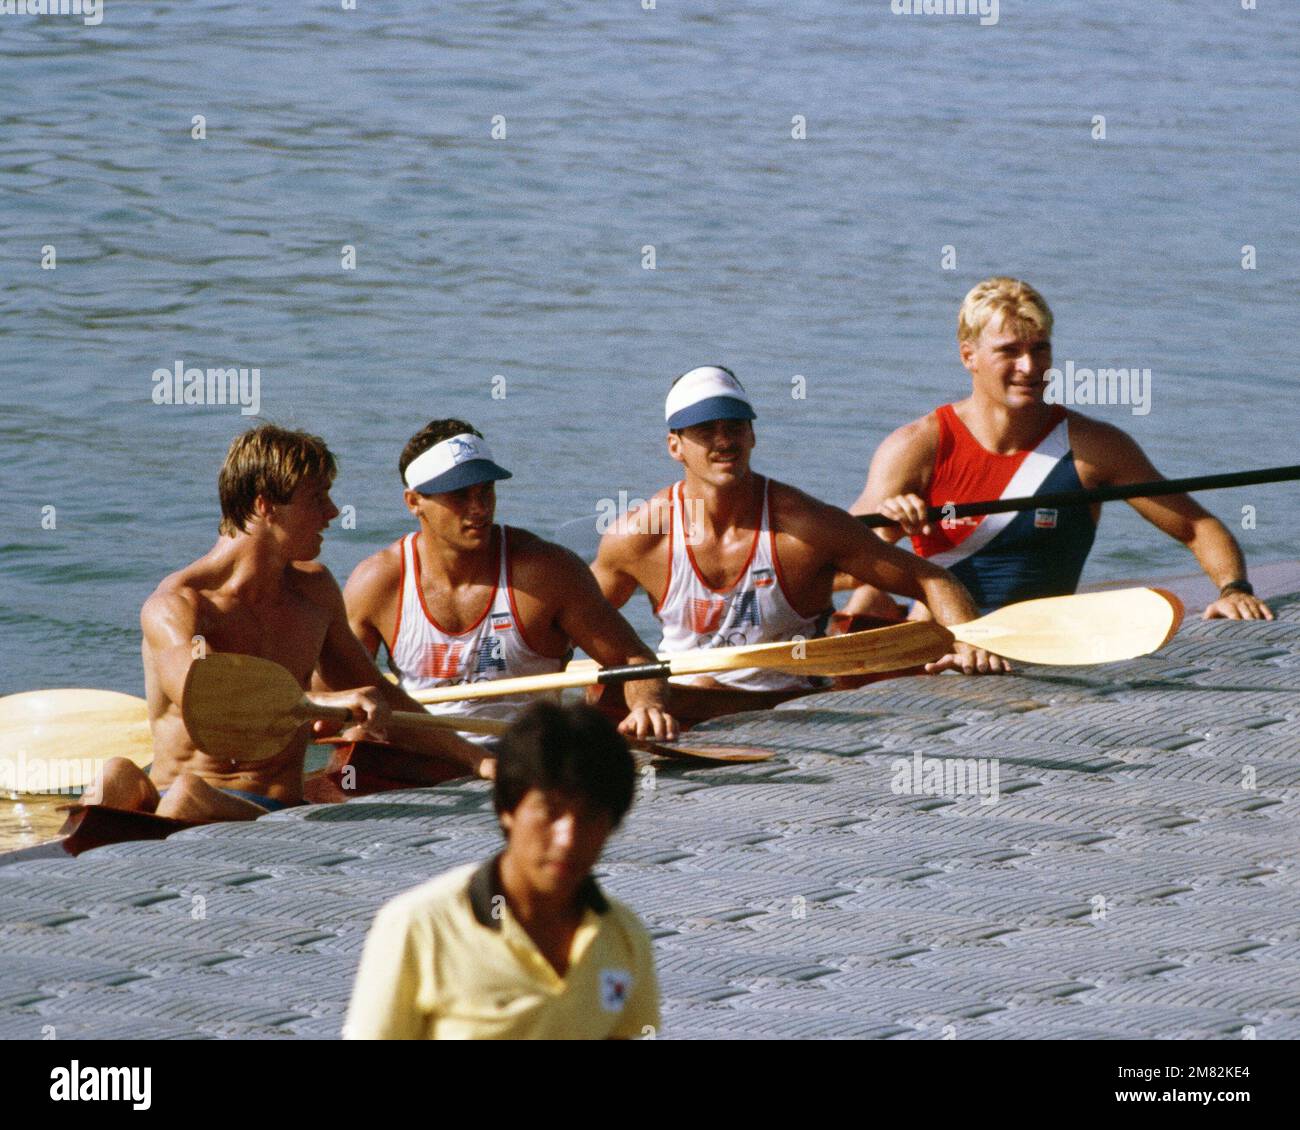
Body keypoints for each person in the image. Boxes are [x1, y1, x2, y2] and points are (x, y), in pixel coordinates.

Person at [83, 424, 491, 824]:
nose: (332, 513)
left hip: (269, 808)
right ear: (266, 505)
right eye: (317, 498)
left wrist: (476, 758)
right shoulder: (177, 604)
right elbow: (205, 697)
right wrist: (320, 704)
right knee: (121, 775)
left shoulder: (314, 592)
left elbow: (379, 691)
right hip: (180, 794)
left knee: (185, 796)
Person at [590, 366, 1006, 725]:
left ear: (752, 435)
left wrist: (969, 641)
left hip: (786, 706)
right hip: (682, 701)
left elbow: (932, 578)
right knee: (609, 697)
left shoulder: (805, 526)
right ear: (675, 446)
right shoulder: (637, 539)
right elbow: (568, 622)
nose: (724, 441)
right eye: (705, 430)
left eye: (735, 426)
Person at [841, 277, 1274, 621]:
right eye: (1009, 352)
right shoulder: (916, 447)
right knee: (862, 597)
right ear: (968, 356)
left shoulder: (1095, 446)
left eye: (1040, 349)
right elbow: (827, 564)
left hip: (1039, 637)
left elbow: (1197, 527)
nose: (1029, 368)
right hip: (940, 636)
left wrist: (1234, 590)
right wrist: (885, 534)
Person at [340, 419, 676, 742]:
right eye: (459, 495)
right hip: (424, 752)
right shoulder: (376, 584)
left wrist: (648, 705)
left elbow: (636, 660)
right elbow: (334, 691)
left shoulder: (547, 571)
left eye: (486, 491)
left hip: (525, 755)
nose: (479, 508)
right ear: (414, 502)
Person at [343, 702, 659, 1040]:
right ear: (507, 808)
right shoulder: (421, 925)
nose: (568, 839)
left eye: (591, 817)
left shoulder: (623, 934)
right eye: (550, 812)